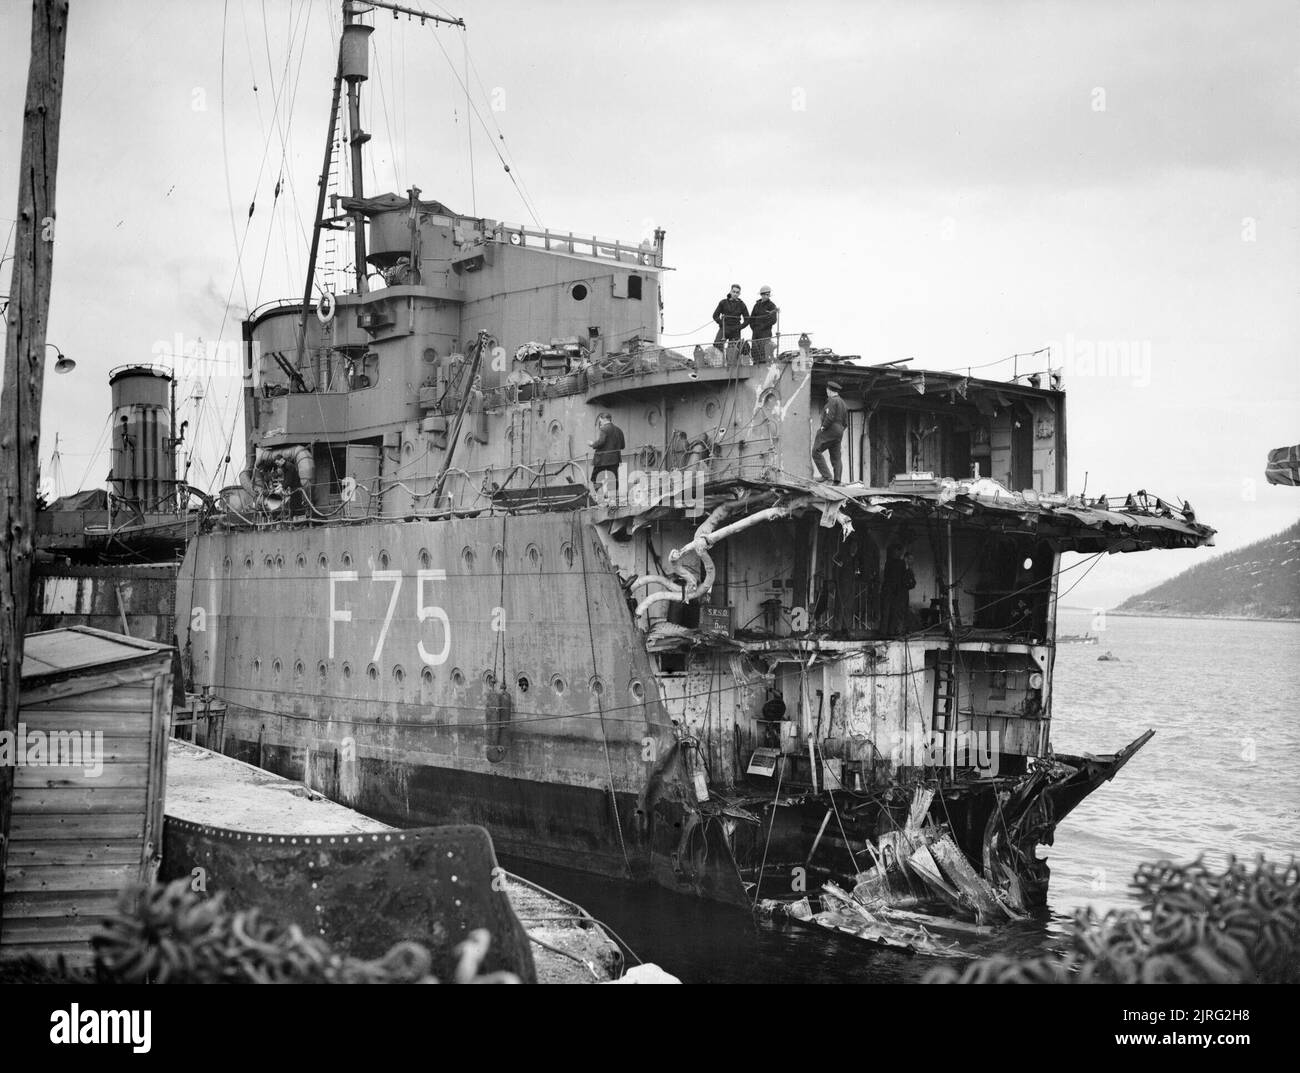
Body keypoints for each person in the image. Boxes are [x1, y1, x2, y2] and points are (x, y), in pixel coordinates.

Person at [812, 380, 848, 483]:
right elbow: (845, 422)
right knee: (836, 456)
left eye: (827, 390)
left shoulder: (832, 401)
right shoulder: (843, 403)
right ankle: (837, 480)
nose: (827, 392)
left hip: (830, 428)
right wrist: (839, 430)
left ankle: (826, 476)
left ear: (829, 391)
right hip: (839, 431)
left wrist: (823, 427)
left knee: (816, 451)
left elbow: (830, 416)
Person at [879, 543, 916, 635]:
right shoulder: (899, 565)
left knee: (892, 614)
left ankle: (888, 632)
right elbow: (906, 581)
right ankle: (890, 632)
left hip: (895, 593)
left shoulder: (894, 563)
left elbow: (911, 583)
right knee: (892, 613)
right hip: (895, 593)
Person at [587, 412, 625, 499]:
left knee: (595, 478)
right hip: (615, 459)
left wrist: (592, 444)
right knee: (614, 479)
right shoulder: (619, 430)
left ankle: (600, 497)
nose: (600, 422)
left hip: (602, 460)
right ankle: (614, 498)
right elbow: (622, 446)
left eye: (600, 420)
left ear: (604, 419)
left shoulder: (604, 429)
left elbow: (601, 442)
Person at [748, 285, 779, 361]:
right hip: (756, 333)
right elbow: (751, 319)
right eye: (764, 294)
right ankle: (756, 364)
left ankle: (764, 367)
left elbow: (773, 320)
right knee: (755, 352)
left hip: (766, 333)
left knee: (764, 352)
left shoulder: (772, 306)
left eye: (768, 294)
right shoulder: (756, 306)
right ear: (761, 294)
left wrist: (763, 326)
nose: (766, 296)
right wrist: (754, 328)